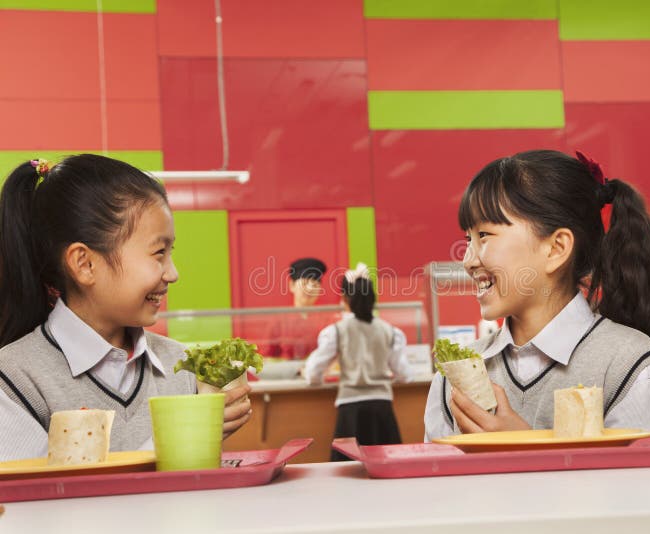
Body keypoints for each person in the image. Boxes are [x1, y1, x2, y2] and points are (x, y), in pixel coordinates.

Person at [424, 150, 650, 440]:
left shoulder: (630, 366)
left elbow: (648, 484)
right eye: (468, 239)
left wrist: (525, 445)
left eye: (484, 235)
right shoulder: (449, 381)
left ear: (556, 248)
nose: (468, 260)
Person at [0, 155, 252, 461]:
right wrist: (183, 435)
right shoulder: (12, 380)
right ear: (85, 263)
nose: (173, 273)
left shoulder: (182, 367)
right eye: (159, 253)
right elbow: (45, 496)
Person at [304, 263, 414, 460]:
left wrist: (315, 380)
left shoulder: (336, 331)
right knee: (386, 465)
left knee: (347, 471)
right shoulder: (390, 331)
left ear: (345, 299)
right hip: (382, 408)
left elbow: (313, 371)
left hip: (350, 410)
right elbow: (404, 374)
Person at [264, 257, 329, 360]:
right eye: (305, 283)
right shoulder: (279, 320)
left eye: (315, 284)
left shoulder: (327, 319)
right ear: (292, 285)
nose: (310, 289)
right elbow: (268, 357)